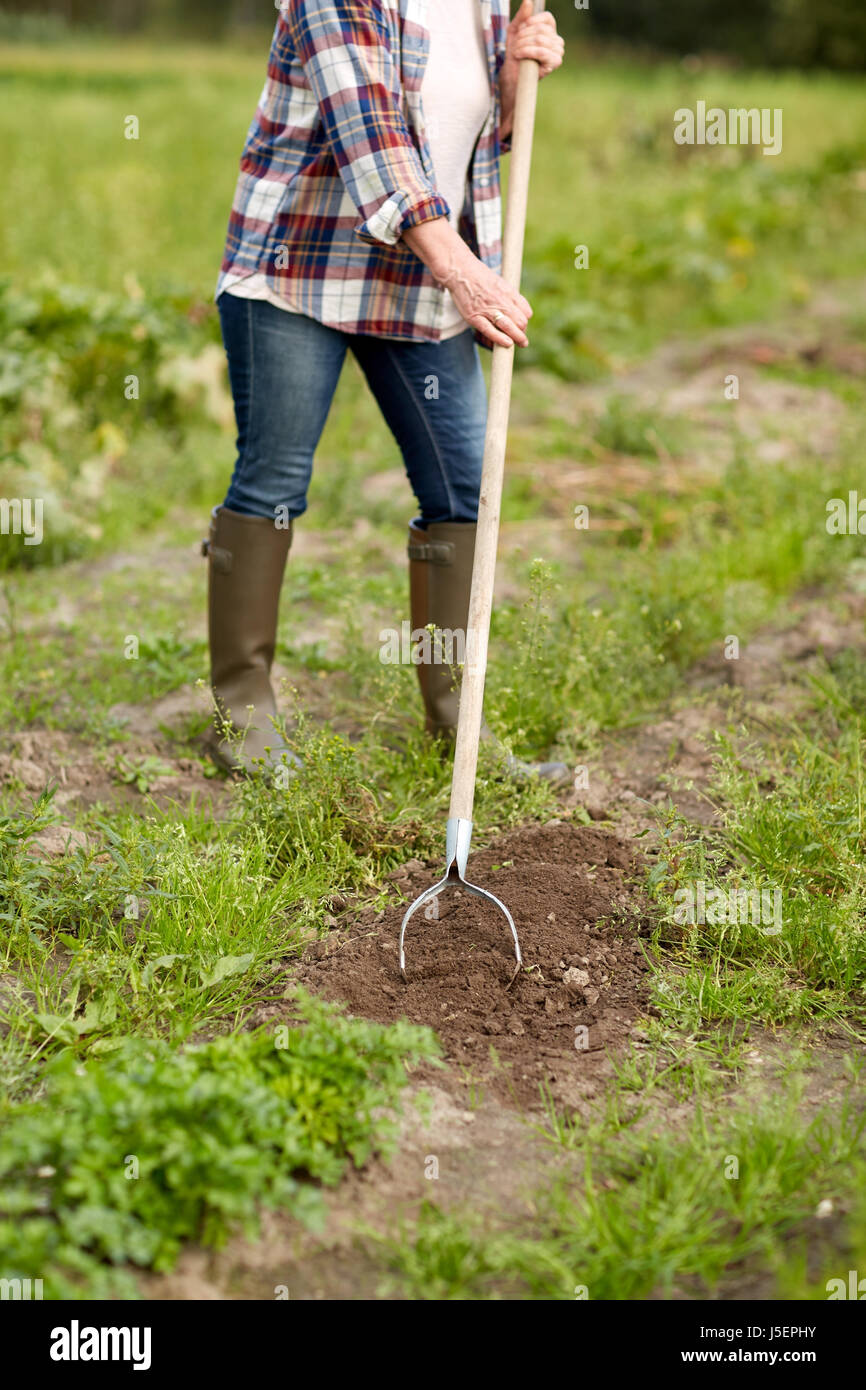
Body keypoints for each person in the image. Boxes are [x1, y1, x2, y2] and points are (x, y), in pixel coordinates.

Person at [205, 0, 565, 774]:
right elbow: (374, 142)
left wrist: (510, 83)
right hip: (301, 270)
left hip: (417, 285)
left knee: (466, 489)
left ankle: (456, 725)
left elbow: (462, 137)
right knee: (274, 480)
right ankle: (242, 714)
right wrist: (466, 272)